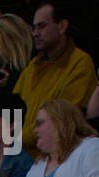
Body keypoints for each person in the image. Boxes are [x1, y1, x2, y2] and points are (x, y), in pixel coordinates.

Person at [14, 4, 96, 154]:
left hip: (54, 159)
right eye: (34, 28)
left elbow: (60, 122)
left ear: (62, 26)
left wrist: (14, 137)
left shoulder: (80, 63)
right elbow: (12, 109)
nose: (35, 33)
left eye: (42, 26)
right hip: (19, 157)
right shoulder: (32, 67)